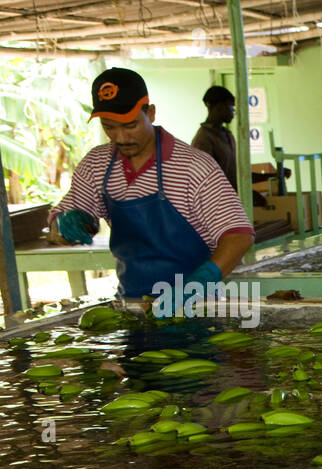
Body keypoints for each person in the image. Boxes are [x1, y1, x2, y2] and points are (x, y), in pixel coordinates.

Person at [50, 68, 253, 305]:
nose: (121, 138)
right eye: (110, 127)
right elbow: (65, 225)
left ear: (151, 113)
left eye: (130, 125)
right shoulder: (96, 165)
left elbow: (239, 236)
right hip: (133, 305)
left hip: (198, 305)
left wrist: (197, 284)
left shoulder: (193, 166)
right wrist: (64, 224)